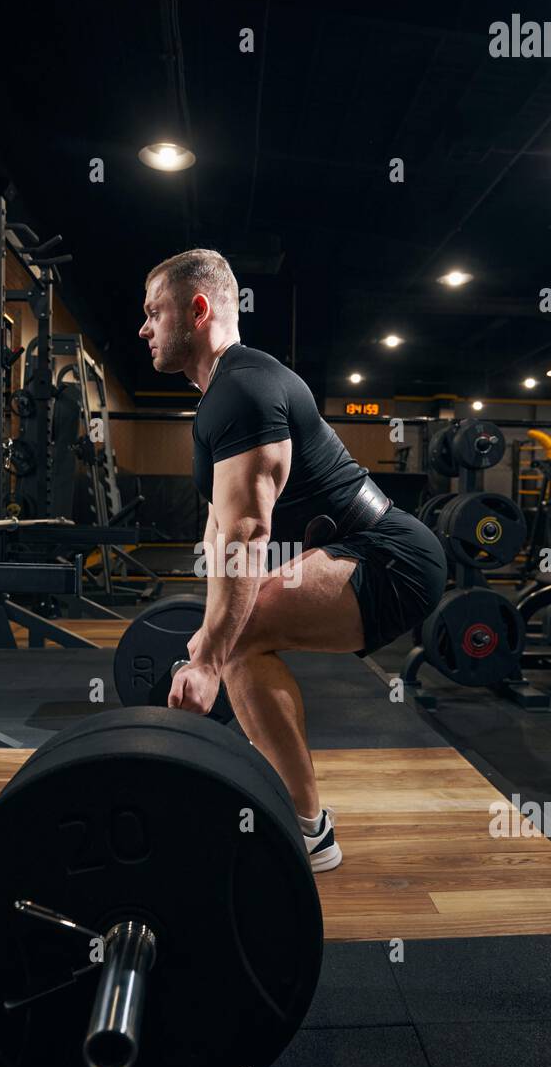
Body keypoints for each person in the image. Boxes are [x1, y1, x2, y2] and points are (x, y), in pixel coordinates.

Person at [138, 249, 446, 871]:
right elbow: (218, 528)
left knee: (237, 638)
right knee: (227, 635)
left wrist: (210, 658)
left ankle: (308, 831)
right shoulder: (223, 394)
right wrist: (206, 639)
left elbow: (248, 534)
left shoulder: (244, 390)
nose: (144, 329)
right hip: (351, 549)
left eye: (154, 312)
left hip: (391, 557)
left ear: (197, 311)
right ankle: (278, 797)